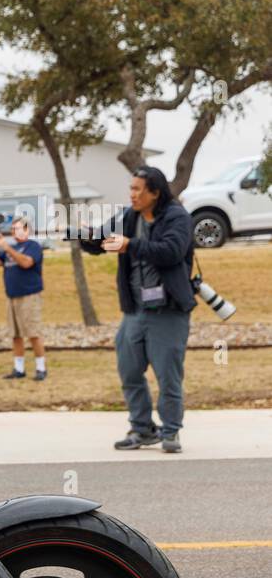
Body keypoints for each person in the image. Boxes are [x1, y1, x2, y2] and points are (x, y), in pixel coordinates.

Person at [79, 166, 195, 453]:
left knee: (168, 375)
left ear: (155, 193)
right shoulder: (128, 216)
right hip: (135, 310)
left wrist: (130, 244)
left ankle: (171, 432)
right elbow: (101, 243)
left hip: (168, 310)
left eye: (137, 189)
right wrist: (86, 235)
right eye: (130, 188)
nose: (132, 194)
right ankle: (142, 429)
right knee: (129, 371)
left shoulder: (177, 217)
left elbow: (171, 252)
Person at [0, 216, 46, 380]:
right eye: (13, 229)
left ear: (27, 230)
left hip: (29, 296)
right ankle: (18, 369)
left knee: (33, 332)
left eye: (18, 228)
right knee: (16, 335)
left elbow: (26, 263)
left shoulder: (33, 246)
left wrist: (6, 248)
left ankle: (41, 368)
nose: (14, 232)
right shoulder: (11, 248)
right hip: (12, 296)